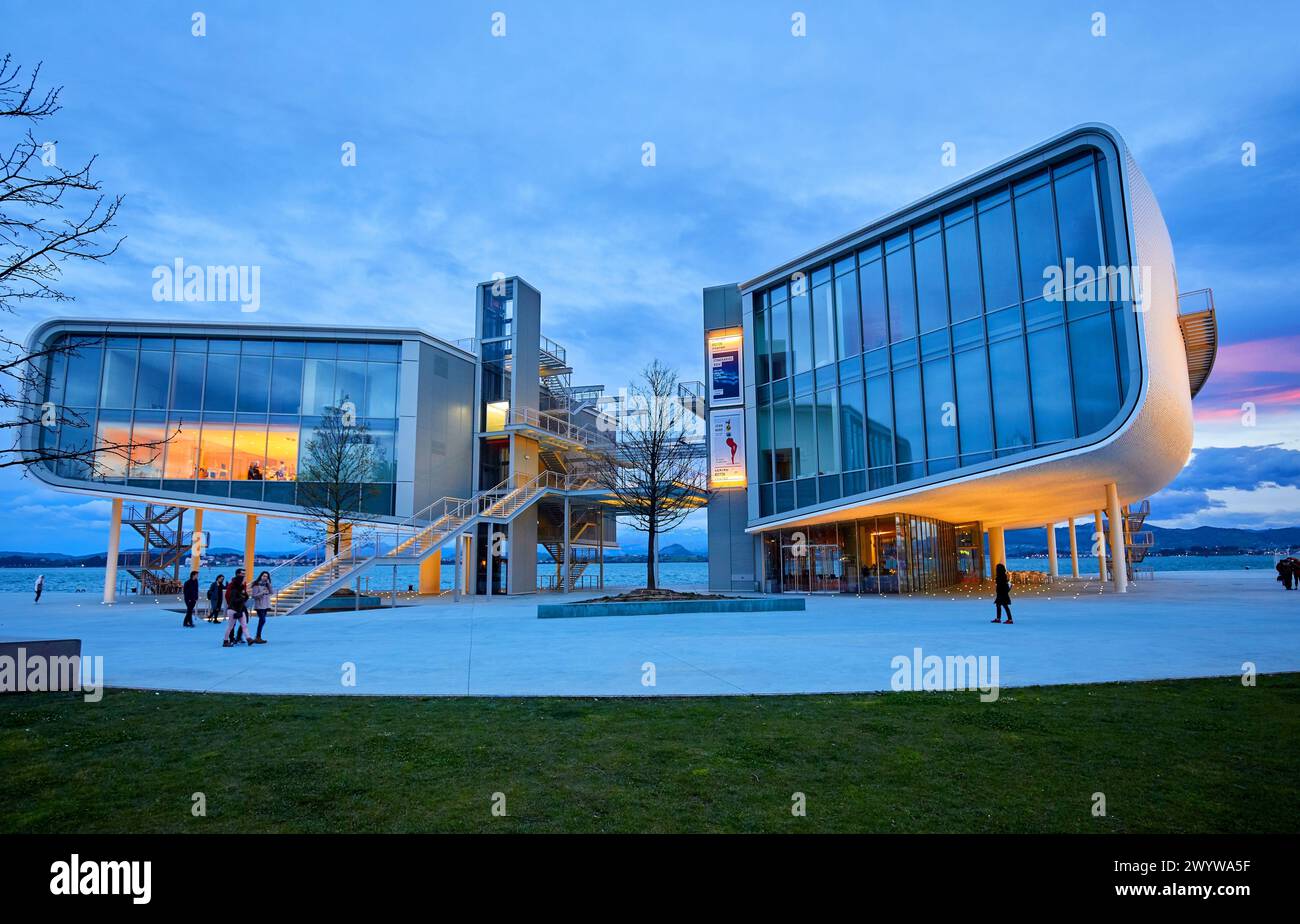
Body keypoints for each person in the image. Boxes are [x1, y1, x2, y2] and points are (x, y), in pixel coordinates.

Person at [222, 573, 253, 648]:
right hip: (233, 610)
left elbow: (245, 598)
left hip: (240, 609)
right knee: (230, 626)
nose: (244, 582)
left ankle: (248, 638)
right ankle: (225, 641)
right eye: (243, 580)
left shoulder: (242, 590)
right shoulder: (234, 590)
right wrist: (242, 598)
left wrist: (245, 596)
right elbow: (233, 601)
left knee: (244, 625)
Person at [249, 571, 273, 644]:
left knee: (262, 620)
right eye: (264, 576)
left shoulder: (267, 585)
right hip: (259, 605)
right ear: (260, 576)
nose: (265, 577)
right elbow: (254, 596)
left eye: (266, 576)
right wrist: (262, 593)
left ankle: (258, 636)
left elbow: (272, 592)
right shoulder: (256, 584)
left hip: (266, 605)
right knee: (262, 620)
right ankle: (257, 637)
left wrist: (268, 584)